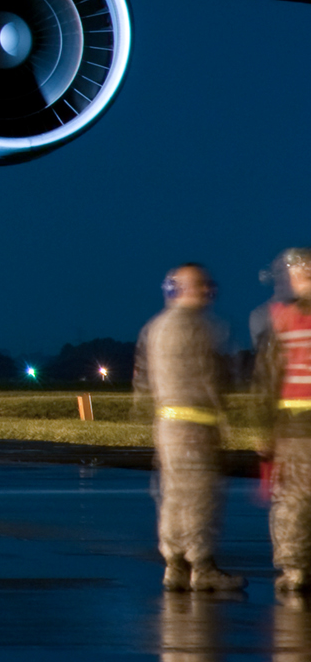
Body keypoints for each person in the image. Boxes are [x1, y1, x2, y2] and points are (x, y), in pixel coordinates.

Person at [136, 263, 246, 594]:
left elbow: (143, 380)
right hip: (196, 426)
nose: (209, 291)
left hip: (167, 424)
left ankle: (174, 566)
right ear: (184, 288)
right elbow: (216, 376)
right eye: (202, 285)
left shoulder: (155, 327)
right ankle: (202, 566)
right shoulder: (202, 326)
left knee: (173, 497)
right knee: (200, 496)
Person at [258, 249, 311, 597]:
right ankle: (296, 569)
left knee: (292, 501)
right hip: (294, 424)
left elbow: (267, 378)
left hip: (292, 426)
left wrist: (265, 431)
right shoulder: (281, 318)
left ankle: (295, 570)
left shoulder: (280, 318)